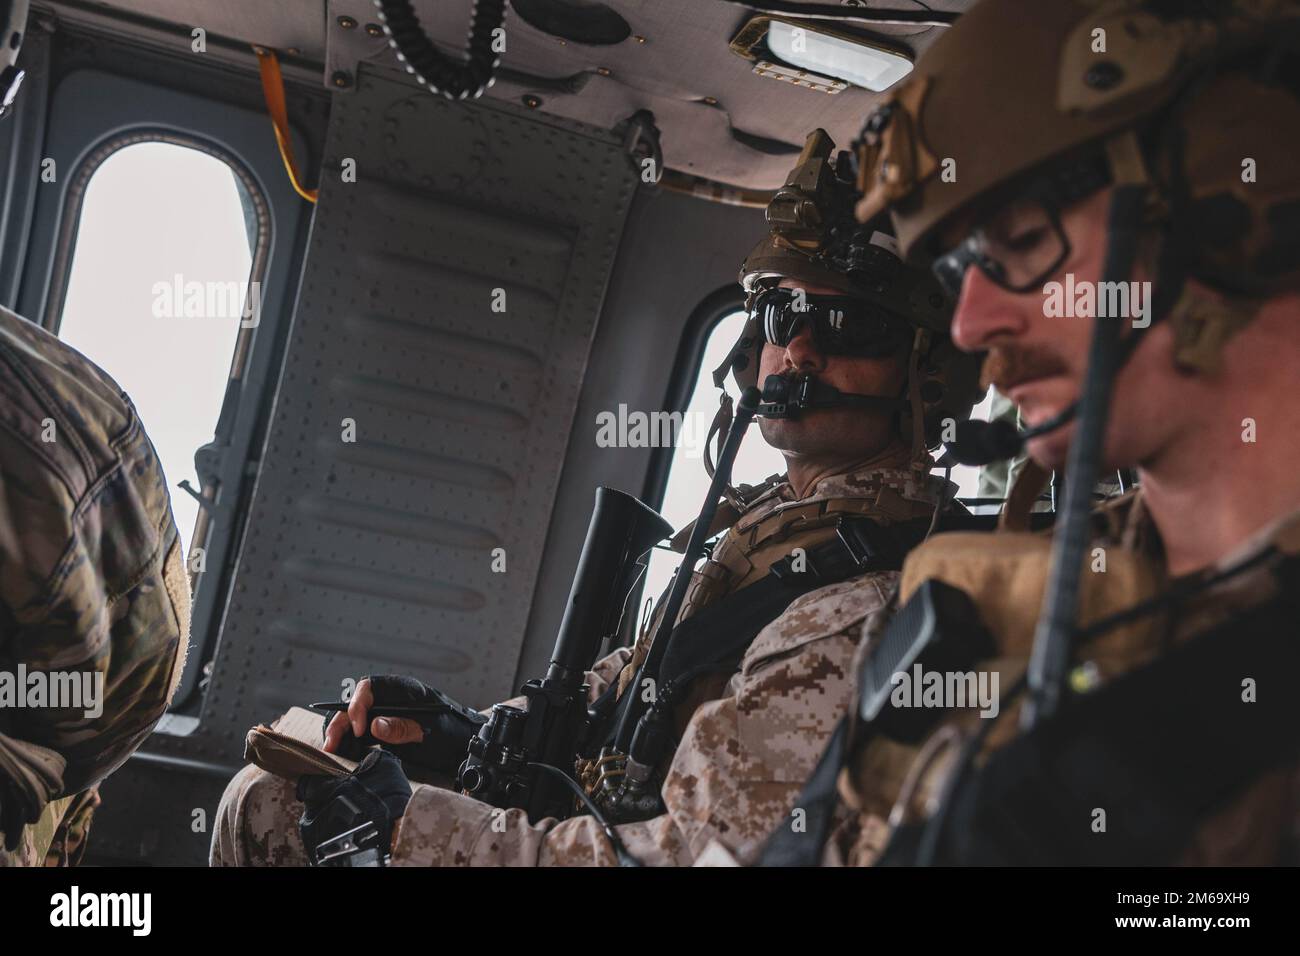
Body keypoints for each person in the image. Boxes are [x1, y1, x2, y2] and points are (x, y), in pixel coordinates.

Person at [209, 129, 983, 867]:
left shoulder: (875, 594)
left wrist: (410, 828)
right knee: (276, 790)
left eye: (846, 324)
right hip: (609, 828)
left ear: (925, 370)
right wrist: (472, 731)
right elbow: (637, 687)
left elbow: (695, 857)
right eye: (784, 315)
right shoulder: (773, 524)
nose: (800, 351)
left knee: (279, 810)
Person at [794, 0, 1300, 866]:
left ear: (1231, 206)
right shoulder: (1020, 604)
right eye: (961, 272)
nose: (970, 323)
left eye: (1019, 241)